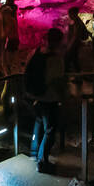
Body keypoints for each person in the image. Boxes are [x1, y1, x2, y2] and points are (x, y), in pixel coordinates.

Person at [24, 28, 66, 172]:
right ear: (58, 41)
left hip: (33, 97)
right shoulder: (55, 59)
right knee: (50, 130)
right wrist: (63, 97)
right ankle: (42, 162)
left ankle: (34, 153)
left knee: (39, 123)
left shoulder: (34, 53)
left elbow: (26, 71)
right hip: (49, 98)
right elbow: (57, 81)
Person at [63, 7, 84, 73]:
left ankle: (67, 77)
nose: (69, 15)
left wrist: (69, 46)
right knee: (74, 61)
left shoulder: (77, 22)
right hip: (75, 45)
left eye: (70, 14)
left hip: (74, 45)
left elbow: (75, 35)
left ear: (74, 14)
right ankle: (77, 77)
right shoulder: (77, 21)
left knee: (68, 60)